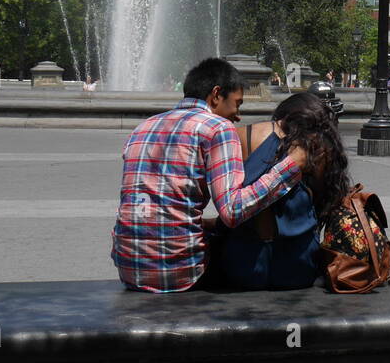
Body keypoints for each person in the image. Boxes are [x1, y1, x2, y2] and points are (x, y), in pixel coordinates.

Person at [111, 58, 307, 293]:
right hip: (177, 271)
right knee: (252, 254)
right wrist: (290, 167)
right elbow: (233, 210)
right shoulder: (217, 128)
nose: (238, 115)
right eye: (237, 103)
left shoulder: (143, 127)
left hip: (128, 266)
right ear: (216, 95)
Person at [222, 91, 350, 290]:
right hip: (297, 268)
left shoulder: (240, 135)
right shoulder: (317, 148)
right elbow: (318, 206)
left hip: (242, 266)